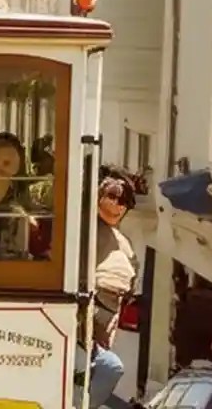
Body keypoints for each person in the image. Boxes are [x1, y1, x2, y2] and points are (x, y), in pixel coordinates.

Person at [76, 170, 138, 408]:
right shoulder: (83, 230)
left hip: (102, 333)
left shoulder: (125, 246)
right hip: (81, 327)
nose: (117, 205)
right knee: (111, 368)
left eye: (124, 201)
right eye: (112, 196)